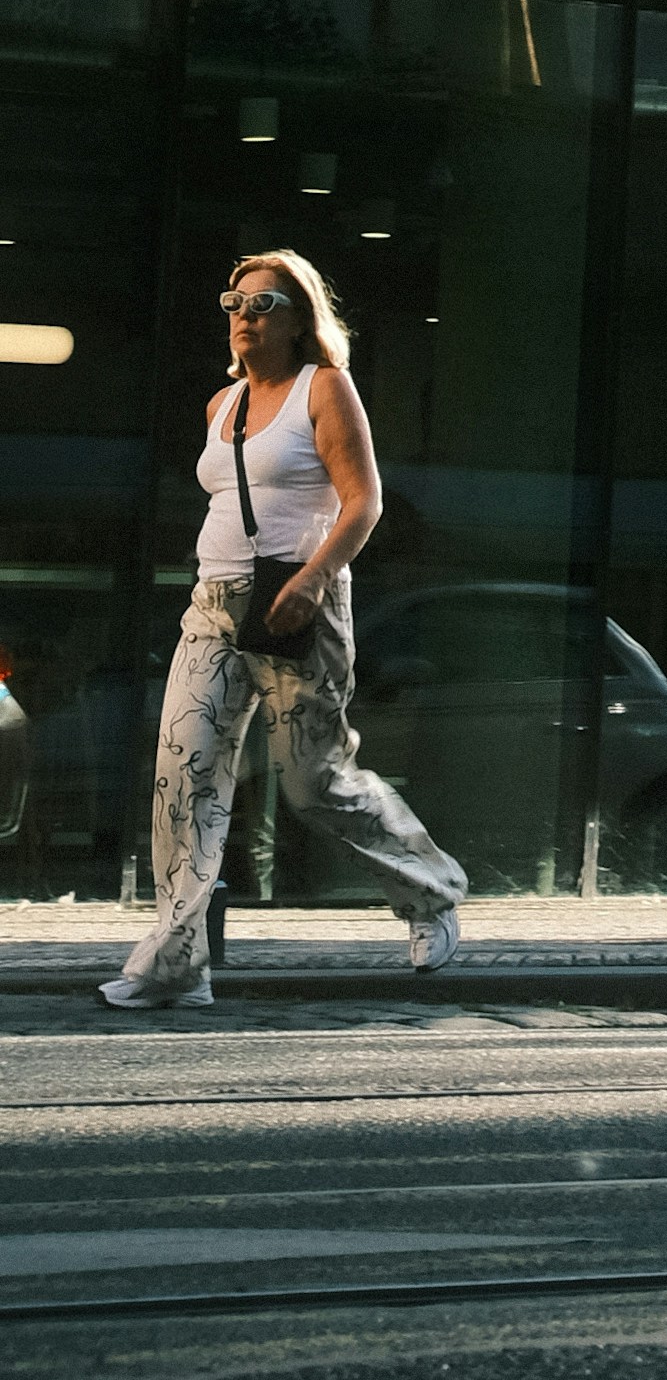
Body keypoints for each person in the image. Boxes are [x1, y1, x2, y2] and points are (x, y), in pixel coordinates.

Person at [101, 250, 467, 1014]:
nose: (242, 315)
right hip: (214, 606)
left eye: (262, 304)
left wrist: (314, 578)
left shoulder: (323, 389)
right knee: (183, 781)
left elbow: (363, 502)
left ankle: (431, 894)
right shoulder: (221, 406)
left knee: (314, 782)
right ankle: (177, 964)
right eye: (233, 300)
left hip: (299, 603)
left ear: (299, 318)